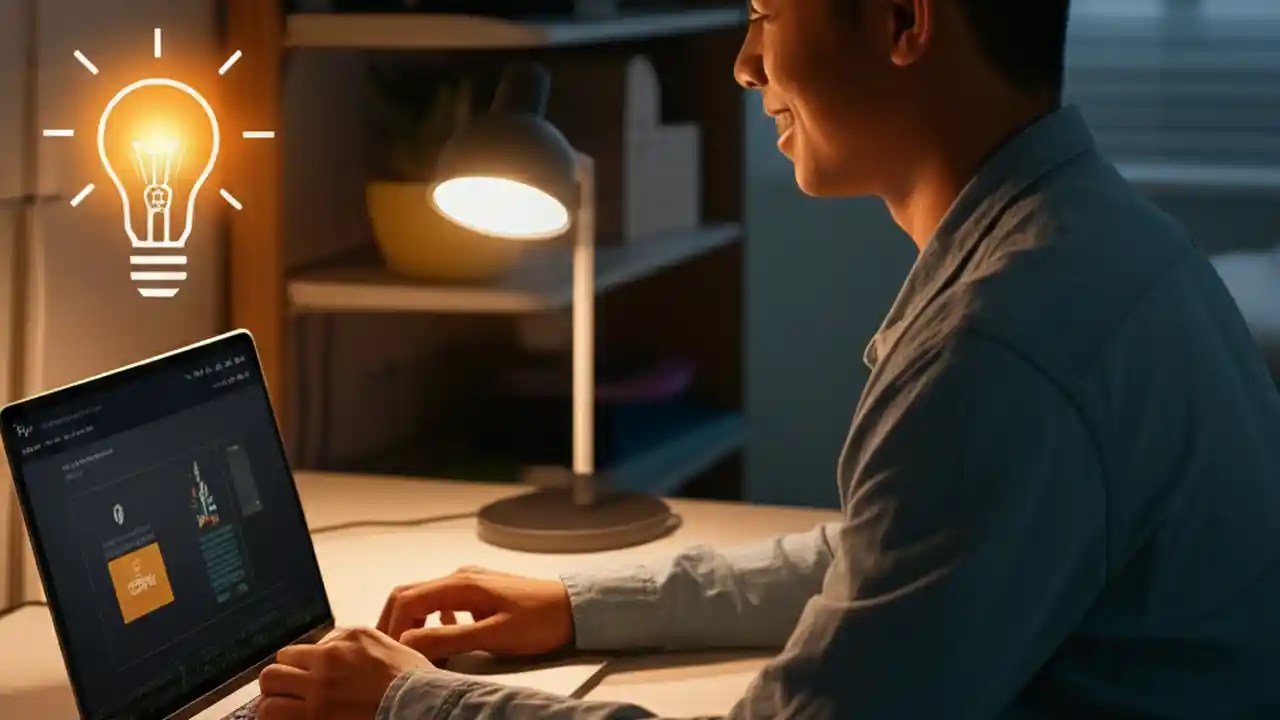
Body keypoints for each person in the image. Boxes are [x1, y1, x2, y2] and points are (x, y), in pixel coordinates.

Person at [256, 0, 1280, 717]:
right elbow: (881, 558)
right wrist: (577, 606)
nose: (743, 64)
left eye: (762, 15)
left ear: (899, 21)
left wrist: (409, 704)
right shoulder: (1100, 236)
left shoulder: (998, 351)